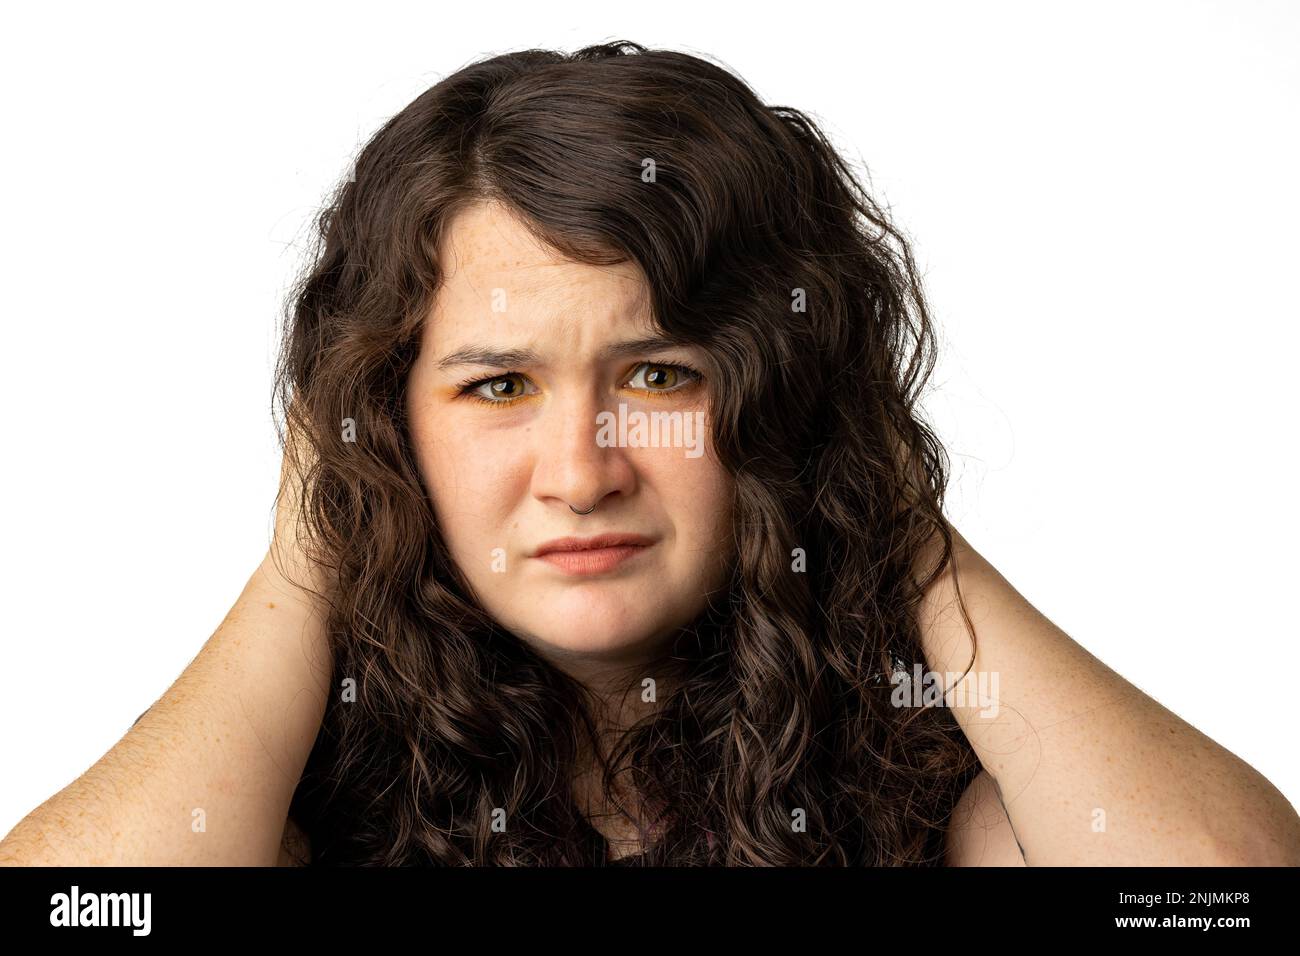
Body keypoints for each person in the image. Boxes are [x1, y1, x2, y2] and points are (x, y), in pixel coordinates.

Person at [3, 40, 1297, 868]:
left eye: (660, 375)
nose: (581, 468)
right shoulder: (301, 779)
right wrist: (316, 531)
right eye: (498, 385)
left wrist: (879, 494)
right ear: (400, 426)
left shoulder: (943, 765)